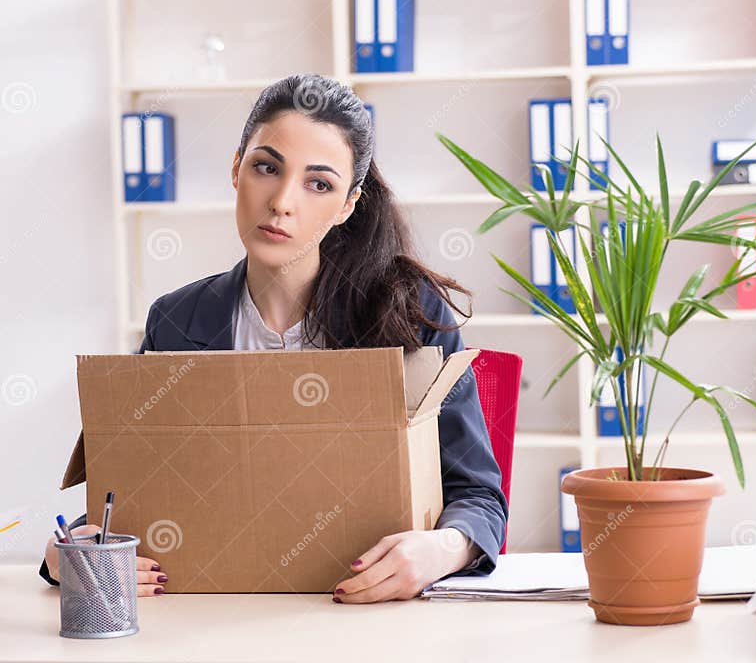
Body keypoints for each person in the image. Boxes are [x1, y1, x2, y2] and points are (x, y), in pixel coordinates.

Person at [40, 73, 508, 604]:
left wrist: (444, 548)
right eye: (267, 168)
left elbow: (479, 496)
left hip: (368, 618)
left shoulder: (406, 311)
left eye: (319, 184)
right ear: (236, 169)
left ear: (348, 205)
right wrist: (68, 553)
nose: (282, 202)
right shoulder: (175, 321)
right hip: (215, 615)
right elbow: (129, 497)